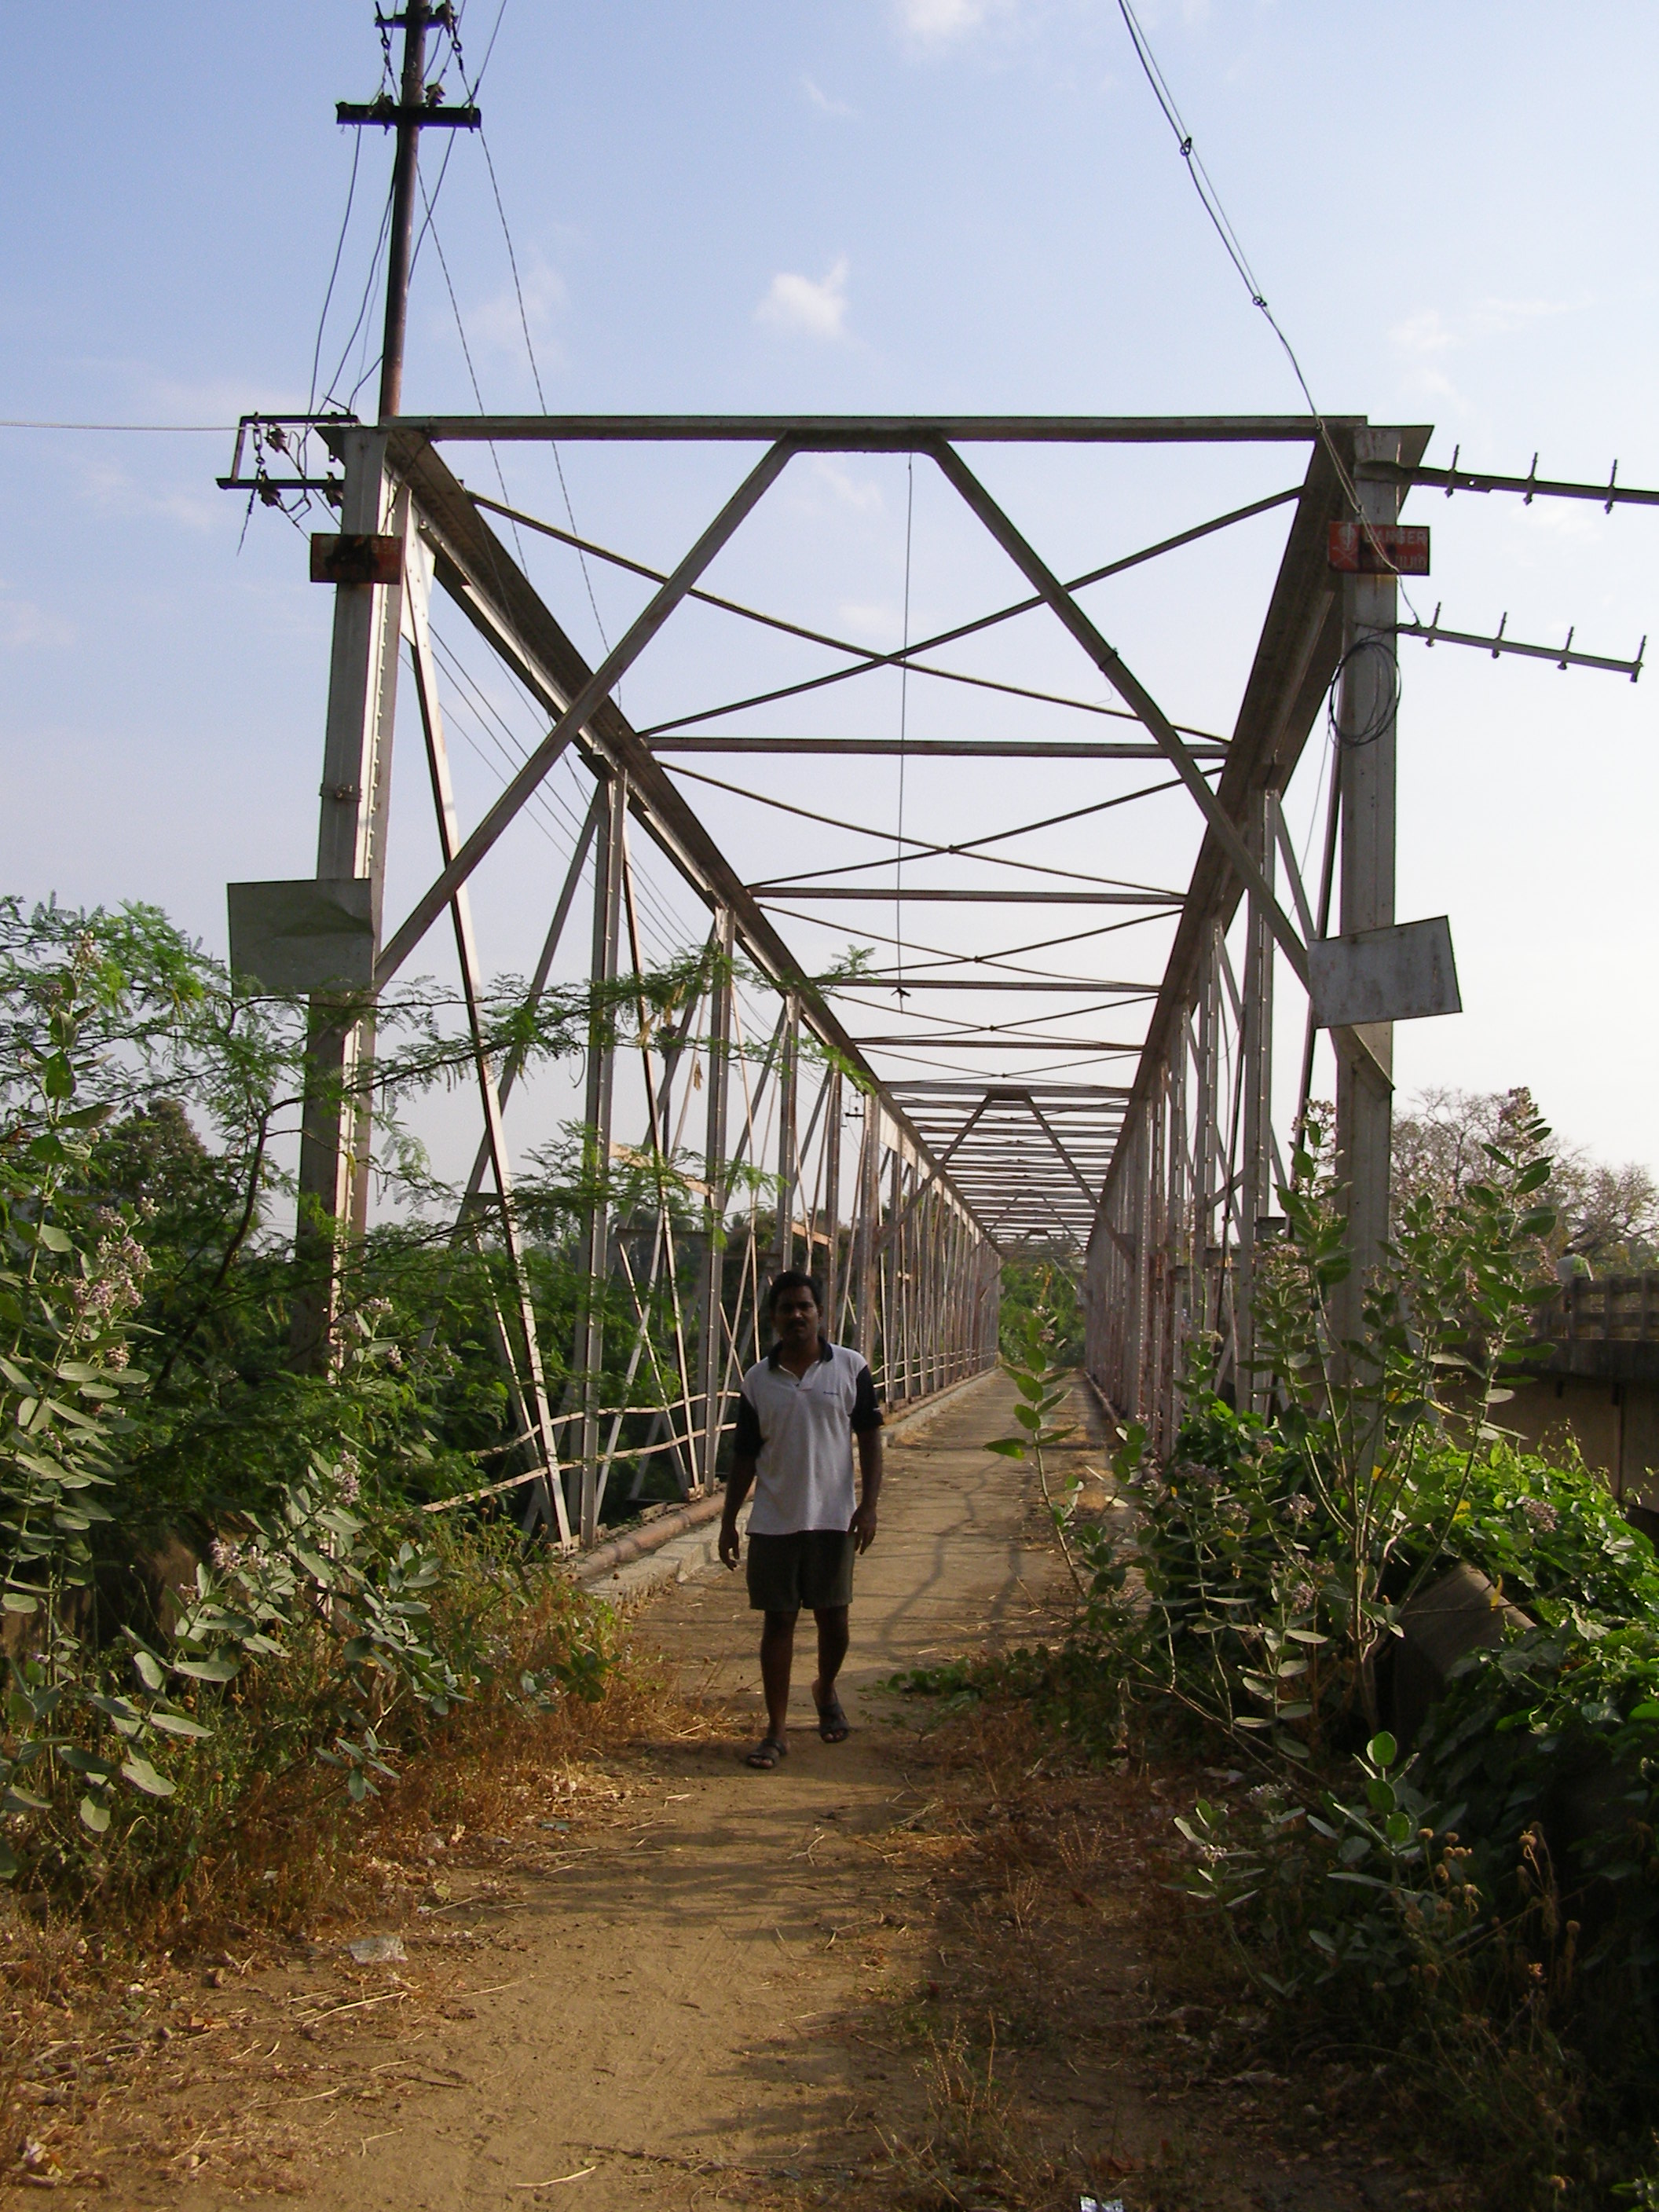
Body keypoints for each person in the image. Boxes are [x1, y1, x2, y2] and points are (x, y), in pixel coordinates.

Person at [718, 1271, 884, 1770]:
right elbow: (745, 1456)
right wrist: (728, 1521)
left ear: (819, 1313)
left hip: (833, 1516)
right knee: (779, 1622)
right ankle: (775, 1731)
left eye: (805, 1307)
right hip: (774, 1520)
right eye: (787, 1308)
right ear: (773, 1319)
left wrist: (870, 1504)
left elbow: (872, 1440)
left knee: (836, 1619)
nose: (797, 1316)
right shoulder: (757, 1379)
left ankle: (826, 1686)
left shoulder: (851, 1368)